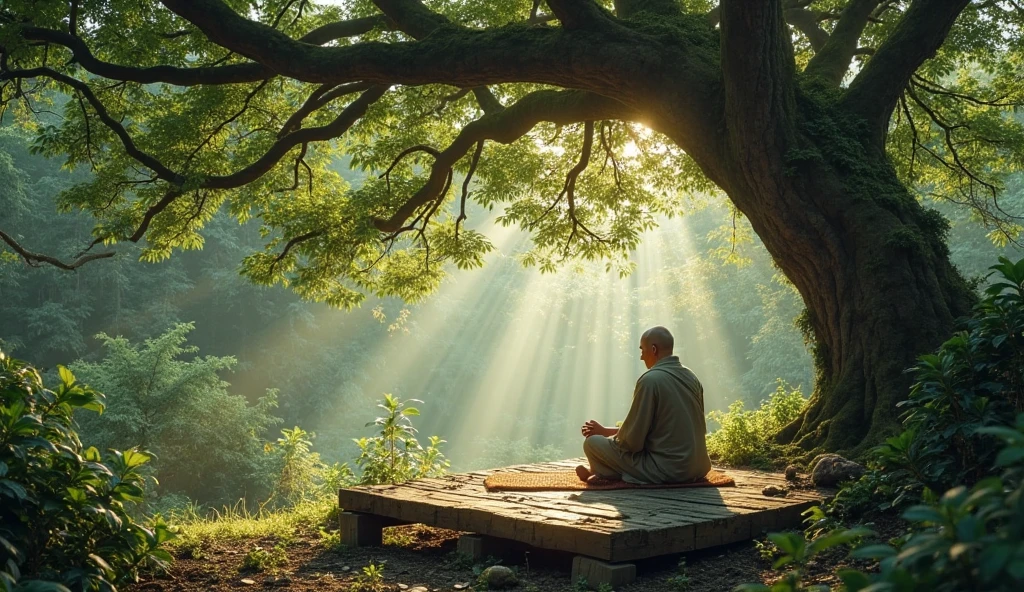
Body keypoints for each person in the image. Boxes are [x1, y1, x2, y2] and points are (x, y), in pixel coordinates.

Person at [575, 326, 712, 485]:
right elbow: (661, 431)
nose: (641, 357)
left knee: (592, 443)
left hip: (669, 470)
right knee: (609, 446)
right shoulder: (692, 377)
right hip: (698, 467)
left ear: (654, 349)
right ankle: (601, 472)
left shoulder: (650, 380)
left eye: (642, 350)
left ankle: (601, 472)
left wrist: (605, 436)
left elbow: (631, 442)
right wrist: (607, 431)